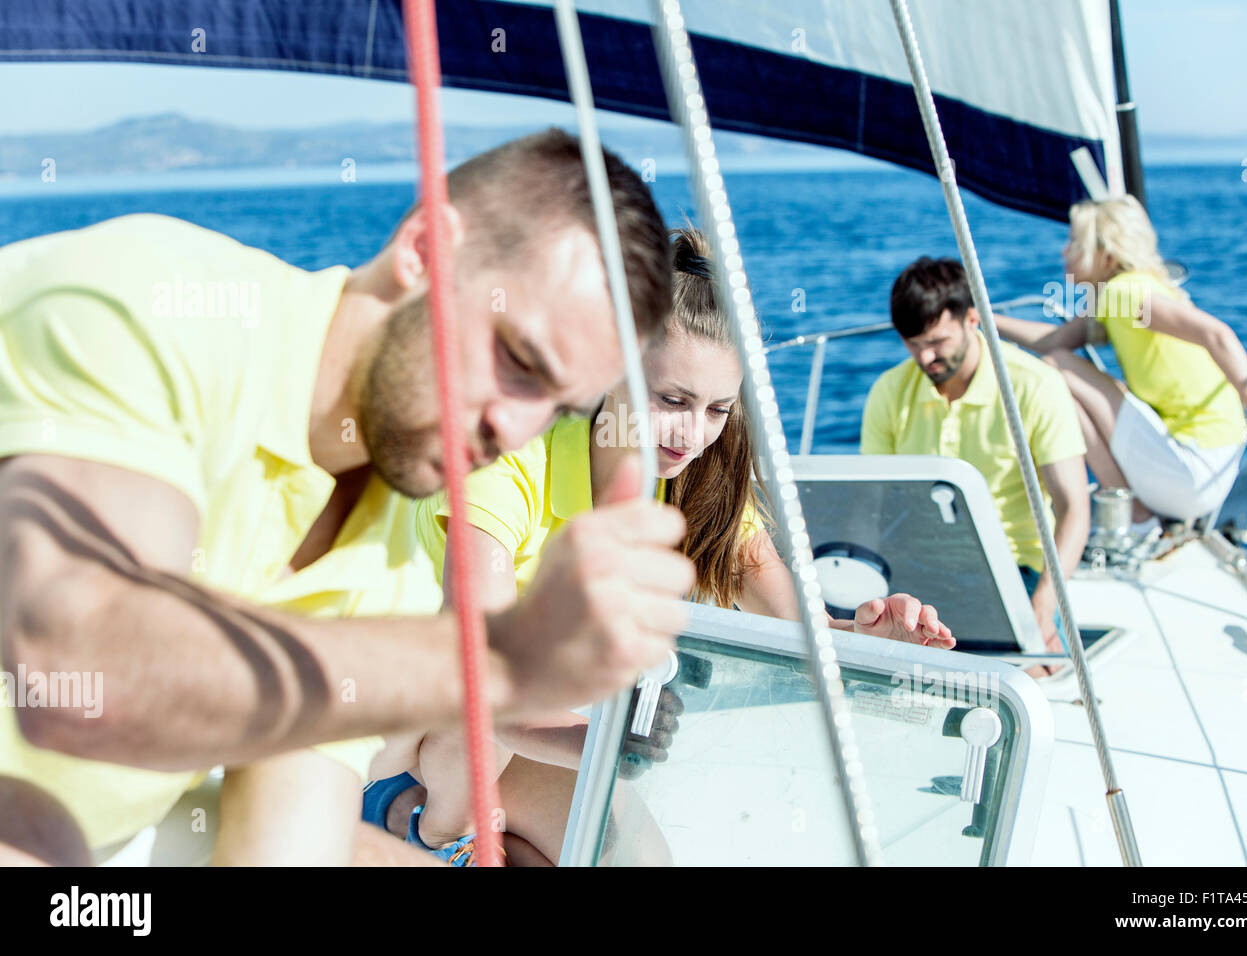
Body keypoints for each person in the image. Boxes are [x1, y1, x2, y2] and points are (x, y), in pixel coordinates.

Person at [0, 128, 691, 866]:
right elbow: (79, 673)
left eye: (557, 409)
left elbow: (281, 844)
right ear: (424, 249)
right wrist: (497, 662)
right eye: (518, 361)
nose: (513, 430)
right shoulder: (147, 302)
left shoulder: (386, 550)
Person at [366, 229, 956, 864]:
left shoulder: (694, 478)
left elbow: (799, 628)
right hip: (406, 729)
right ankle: (422, 823)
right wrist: (604, 743)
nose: (693, 434)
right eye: (672, 400)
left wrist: (875, 639)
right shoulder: (503, 461)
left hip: (528, 729)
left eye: (717, 409)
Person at [995, 195, 1247, 523]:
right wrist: (982, 317)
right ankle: (1131, 506)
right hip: (1209, 470)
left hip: (1192, 467)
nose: (1064, 252)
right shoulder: (1125, 293)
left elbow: (1218, 335)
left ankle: (1132, 513)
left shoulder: (1125, 294)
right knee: (1059, 365)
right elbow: (1055, 339)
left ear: (1107, 256)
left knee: (1055, 368)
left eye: (1074, 242)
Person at [861, 257, 1090, 662]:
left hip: (1015, 568)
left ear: (972, 319)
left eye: (937, 342)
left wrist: (1042, 607)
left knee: (1023, 683)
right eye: (913, 344)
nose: (925, 358)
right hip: (920, 567)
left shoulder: (1036, 386)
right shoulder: (888, 390)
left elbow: (1074, 507)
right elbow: (872, 505)